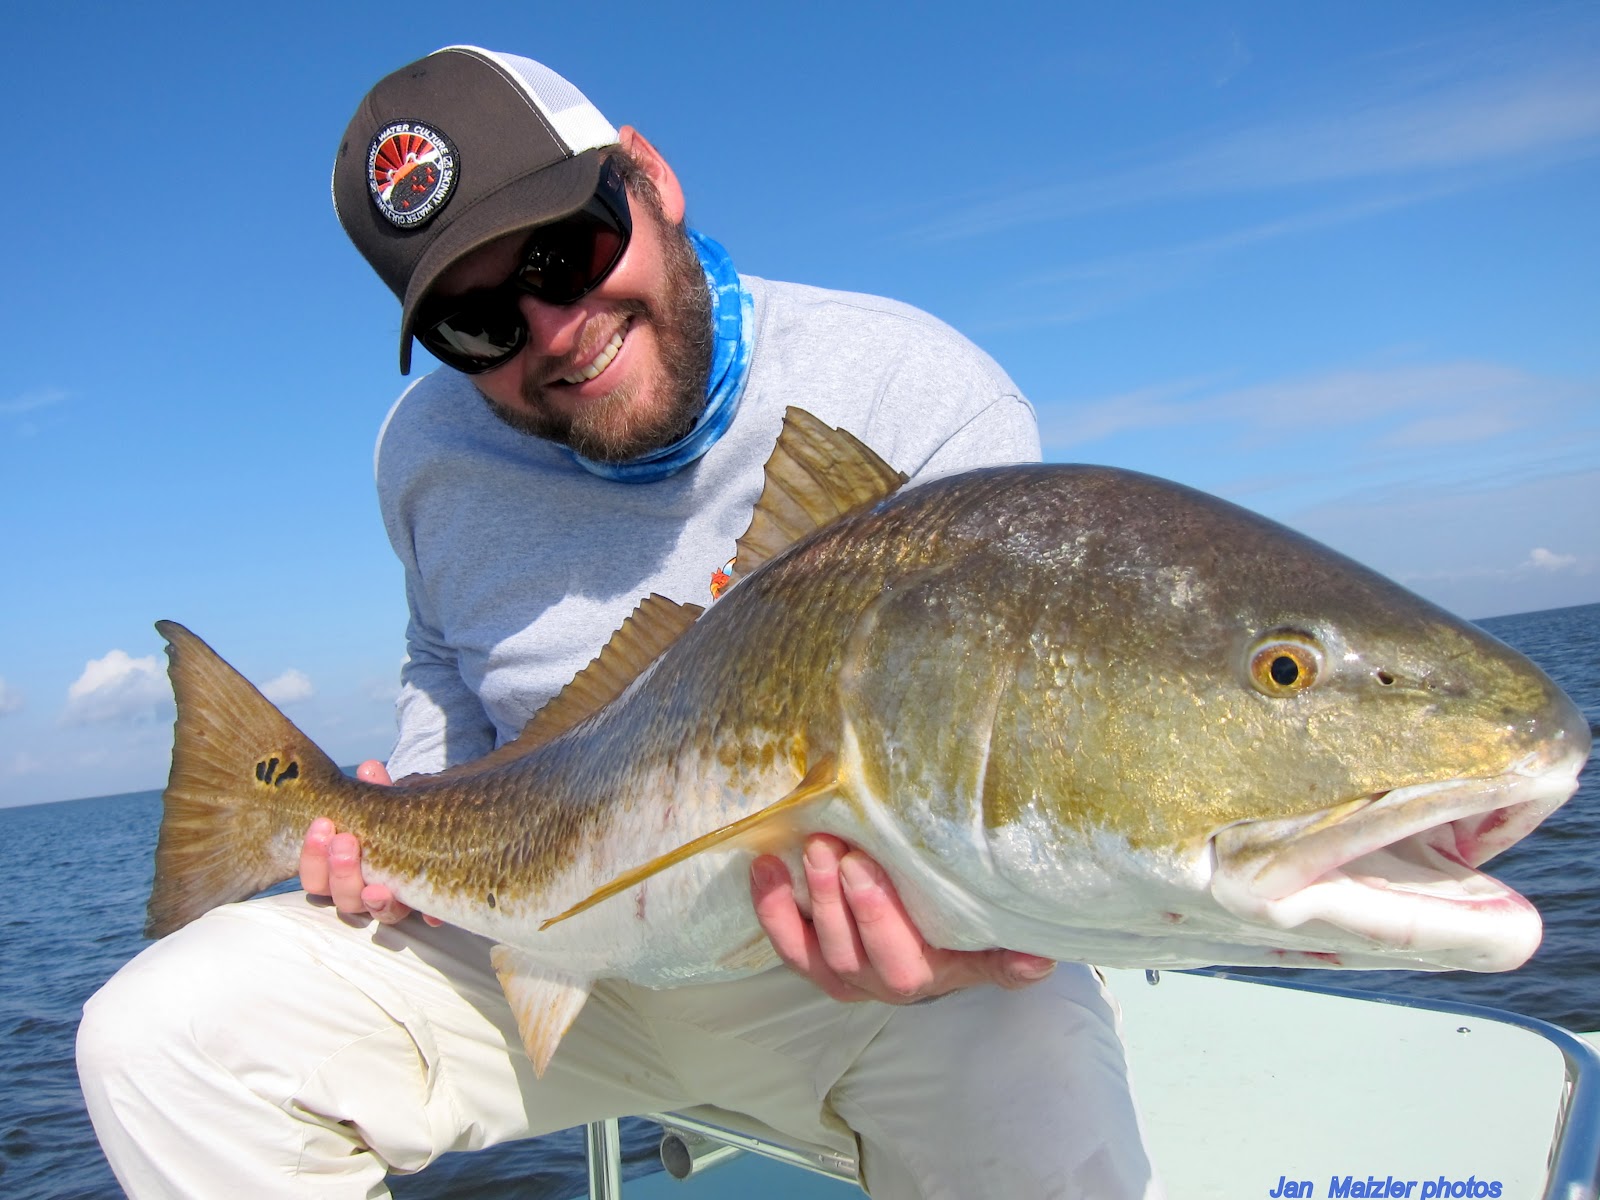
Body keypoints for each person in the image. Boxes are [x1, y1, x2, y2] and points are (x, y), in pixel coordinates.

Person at [78, 46, 1161, 1199]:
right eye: (478, 322)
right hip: (543, 932)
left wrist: (964, 932)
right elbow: (446, 659)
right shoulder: (426, 451)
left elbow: (1031, 755)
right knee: (157, 1043)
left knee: (1042, 1075)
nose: (551, 328)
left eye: (566, 250)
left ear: (648, 174)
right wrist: (406, 821)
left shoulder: (917, 392)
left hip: (844, 981)